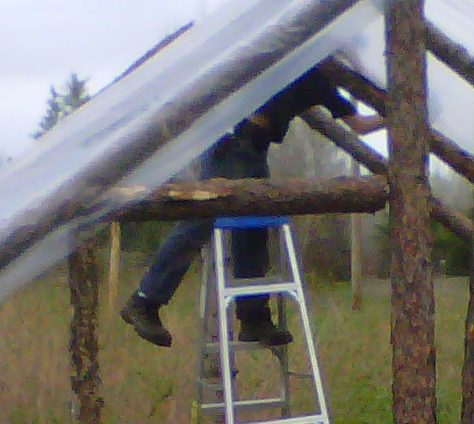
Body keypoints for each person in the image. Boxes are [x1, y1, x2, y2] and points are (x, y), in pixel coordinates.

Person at [120, 62, 381, 348]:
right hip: (231, 141)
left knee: (254, 230)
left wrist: (395, 115)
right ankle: (144, 301)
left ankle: (254, 318)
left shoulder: (318, 80)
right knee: (203, 218)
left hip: (256, 150)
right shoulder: (284, 51)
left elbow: (360, 125)